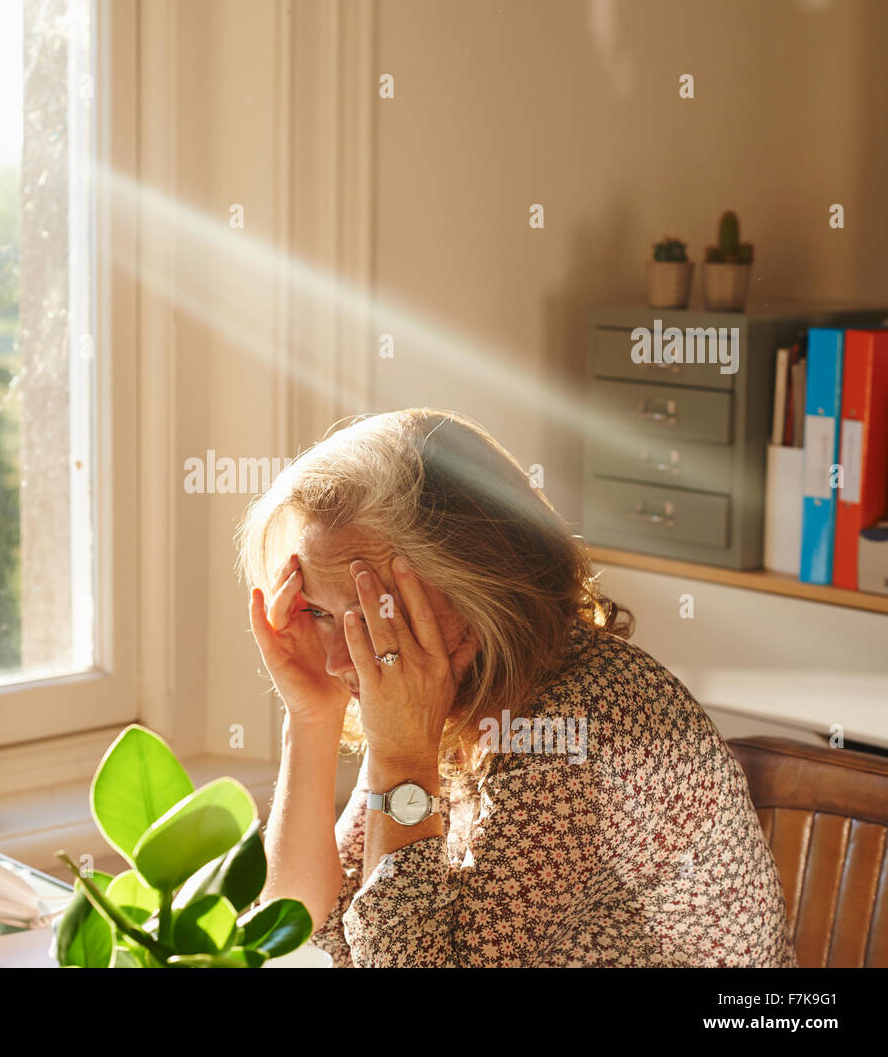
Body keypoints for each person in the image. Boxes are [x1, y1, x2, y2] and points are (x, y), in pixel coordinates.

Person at [238, 407, 796, 967]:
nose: (337, 660)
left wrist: (403, 757)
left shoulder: (578, 726)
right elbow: (306, 921)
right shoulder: (442, 688)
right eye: (317, 611)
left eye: (370, 616)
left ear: (479, 592)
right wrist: (311, 718)